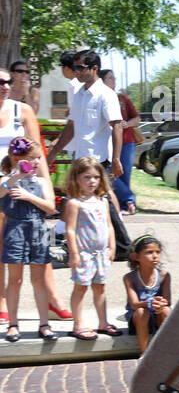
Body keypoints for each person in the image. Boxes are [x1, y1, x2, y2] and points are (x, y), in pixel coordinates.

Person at [1, 62, 73, 324]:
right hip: (2, 184)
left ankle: (53, 299)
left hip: (23, 182)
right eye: (0, 82)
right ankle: (2, 303)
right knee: (4, 244)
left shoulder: (23, 110)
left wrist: (44, 184)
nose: (5, 86)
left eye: (7, 82)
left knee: (37, 242)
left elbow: (37, 151)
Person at [50, 50, 130, 261]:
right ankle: (120, 246)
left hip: (98, 159)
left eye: (80, 68)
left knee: (87, 201)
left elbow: (117, 127)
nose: (76, 71)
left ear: (94, 69)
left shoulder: (106, 94)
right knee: (94, 202)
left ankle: (116, 246)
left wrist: (116, 159)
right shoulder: (79, 94)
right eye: (75, 67)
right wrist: (55, 151)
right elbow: (72, 126)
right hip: (81, 158)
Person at [0, 138, 58, 342]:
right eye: (32, 158)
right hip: (15, 230)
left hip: (38, 230)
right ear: (17, 158)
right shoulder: (7, 180)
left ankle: (44, 324)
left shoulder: (42, 182)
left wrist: (28, 196)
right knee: (15, 280)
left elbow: (51, 208)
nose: (36, 163)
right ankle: (13, 324)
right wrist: (16, 177)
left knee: (38, 280)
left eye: (39, 158)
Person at [63, 157, 119, 341]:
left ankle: (103, 322)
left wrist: (112, 246)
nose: (92, 181)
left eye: (95, 177)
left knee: (100, 287)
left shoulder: (102, 201)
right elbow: (70, 230)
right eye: (87, 177)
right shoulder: (75, 203)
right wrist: (74, 254)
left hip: (101, 254)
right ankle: (78, 324)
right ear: (77, 178)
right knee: (81, 288)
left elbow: (109, 225)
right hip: (84, 254)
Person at [100, 69, 140, 214]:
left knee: (124, 174)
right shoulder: (99, 97)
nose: (114, 80)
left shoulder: (122, 98)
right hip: (107, 144)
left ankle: (125, 206)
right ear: (102, 81)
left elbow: (137, 118)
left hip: (127, 142)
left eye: (114, 77)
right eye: (110, 78)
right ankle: (129, 199)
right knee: (111, 174)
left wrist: (127, 124)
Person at [123, 235, 171, 353]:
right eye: (149, 252)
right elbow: (134, 304)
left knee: (166, 310)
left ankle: (167, 350)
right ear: (136, 256)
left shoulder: (164, 276)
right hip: (139, 318)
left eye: (157, 252)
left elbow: (168, 301)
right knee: (142, 312)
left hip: (157, 314)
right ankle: (145, 353)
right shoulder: (129, 278)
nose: (155, 256)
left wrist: (161, 303)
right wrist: (150, 303)